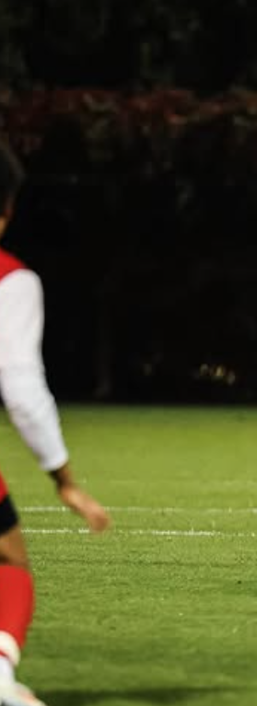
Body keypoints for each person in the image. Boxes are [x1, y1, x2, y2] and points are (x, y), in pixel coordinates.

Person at [0, 143, 111, 706]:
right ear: (8, 208)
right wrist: (63, 478)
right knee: (8, 563)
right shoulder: (11, 280)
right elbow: (20, 386)